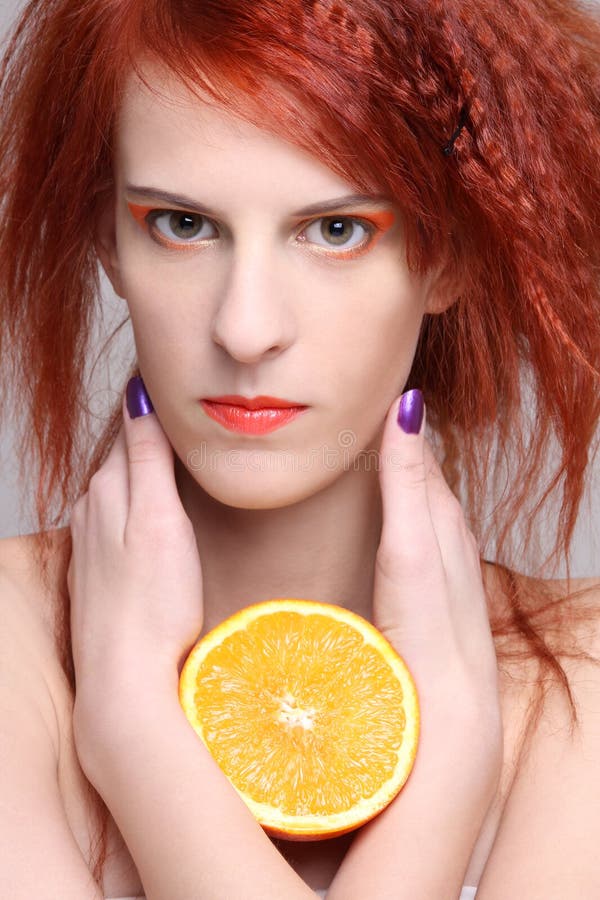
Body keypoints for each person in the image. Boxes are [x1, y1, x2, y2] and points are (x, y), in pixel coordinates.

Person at [0, 0, 599, 897]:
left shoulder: (582, 679)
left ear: (452, 255)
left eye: (336, 230)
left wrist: (142, 750)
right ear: (107, 237)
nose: (245, 330)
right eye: (182, 224)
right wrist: (132, 731)